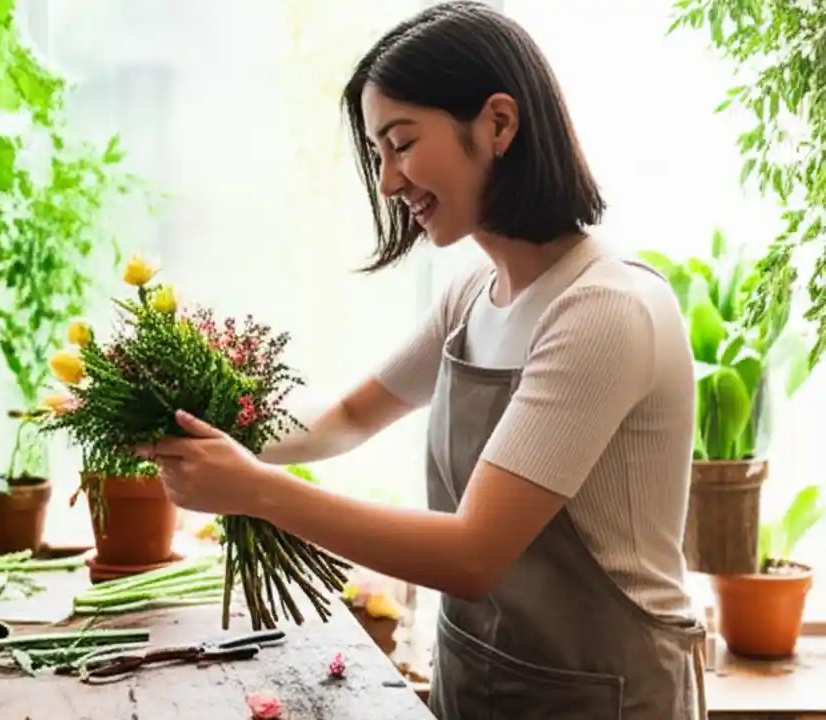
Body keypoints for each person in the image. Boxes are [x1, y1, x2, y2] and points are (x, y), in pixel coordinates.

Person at [136, 2, 707, 719]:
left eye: (401, 144)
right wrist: (199, 426)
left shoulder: (603, 310)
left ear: (499, 124)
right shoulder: (473, 293)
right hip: (478, 678)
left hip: (607, 695)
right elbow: (346, 418)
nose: (388, 182)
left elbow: (472, 555)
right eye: (379, 152)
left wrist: (255, 490)